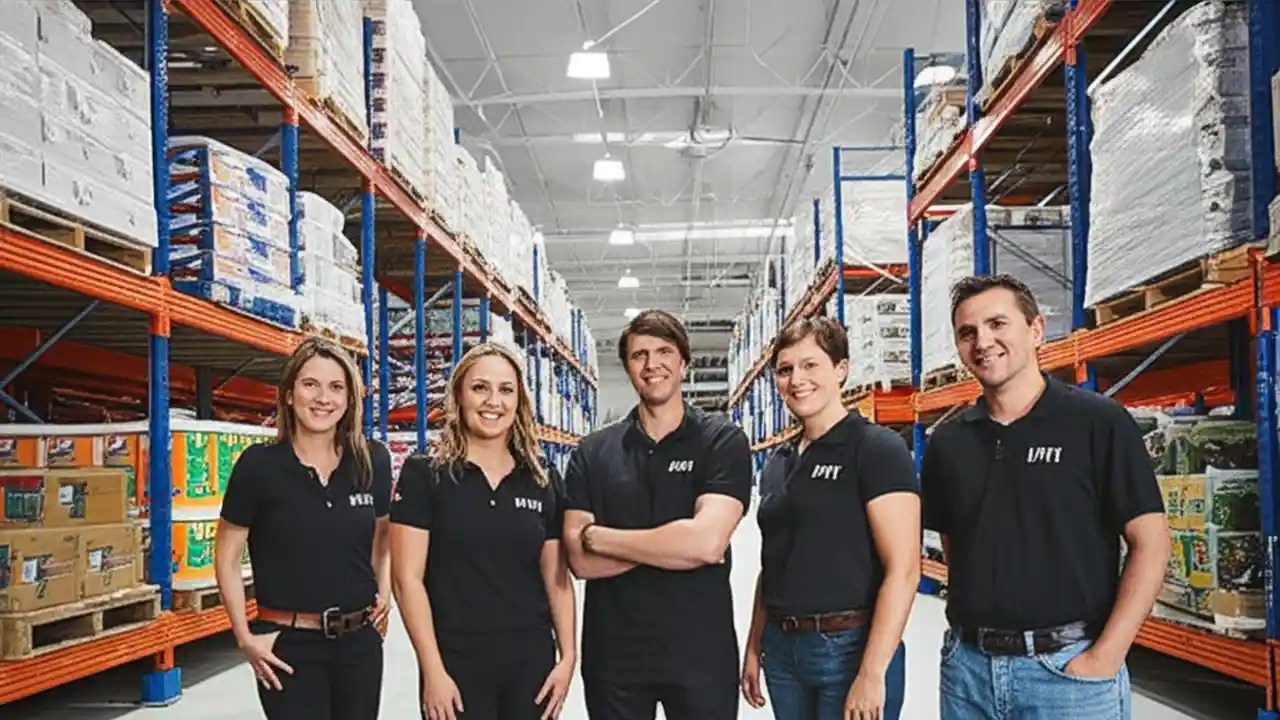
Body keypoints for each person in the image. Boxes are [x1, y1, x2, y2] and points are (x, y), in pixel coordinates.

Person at [921, 274, 1170, 719]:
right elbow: (957, 546)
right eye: (968, 332)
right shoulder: (948, 442)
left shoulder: (1097, 423)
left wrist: (1105, 657)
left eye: (998, 324)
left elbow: (1151, 542)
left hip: (1067, 674)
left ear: (1035, 330)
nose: (984, 342)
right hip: (969, 674)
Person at [561, 309, 752, 720]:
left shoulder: (722, 441)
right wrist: (673, 545)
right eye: (639, 355)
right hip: (615, 660)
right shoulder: (592, 452)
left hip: (701, 655)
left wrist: (601, 537)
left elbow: (706, 543)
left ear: (684, 362)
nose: (653, 365)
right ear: (628, 367)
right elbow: (578, 559)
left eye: (664, 351)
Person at [741, 316, 920, 720]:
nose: (796, 379)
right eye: (785, 370)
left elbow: (904, 570)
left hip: (849, 648)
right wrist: (755, 646)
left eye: (810, 365)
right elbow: (773, 565)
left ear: (841, 369)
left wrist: (873, 673)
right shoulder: (778, 461)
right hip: (783, 650)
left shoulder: (875, 448)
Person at [389, 342, 577, 720]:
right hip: (456, 663)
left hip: (531, 661)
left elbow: (556, 578)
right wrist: (432, 670)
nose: (494, 401)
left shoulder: (540, 478)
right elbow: (406, 580)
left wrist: (569, 655)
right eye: (480, 388)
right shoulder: (426, 474)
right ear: (459, 395)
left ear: (519, 401)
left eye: (506, 390)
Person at [215, 336, 394, 720]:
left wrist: (386, 591)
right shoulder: (259, 467)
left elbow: (383, 535)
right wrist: (244, 637)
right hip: (288, 644)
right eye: (310, 384)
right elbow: (227, 555)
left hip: (359, 643)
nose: (322, 398)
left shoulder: (372, 461)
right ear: (288, 394)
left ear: (349, 400)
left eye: (335, 387)